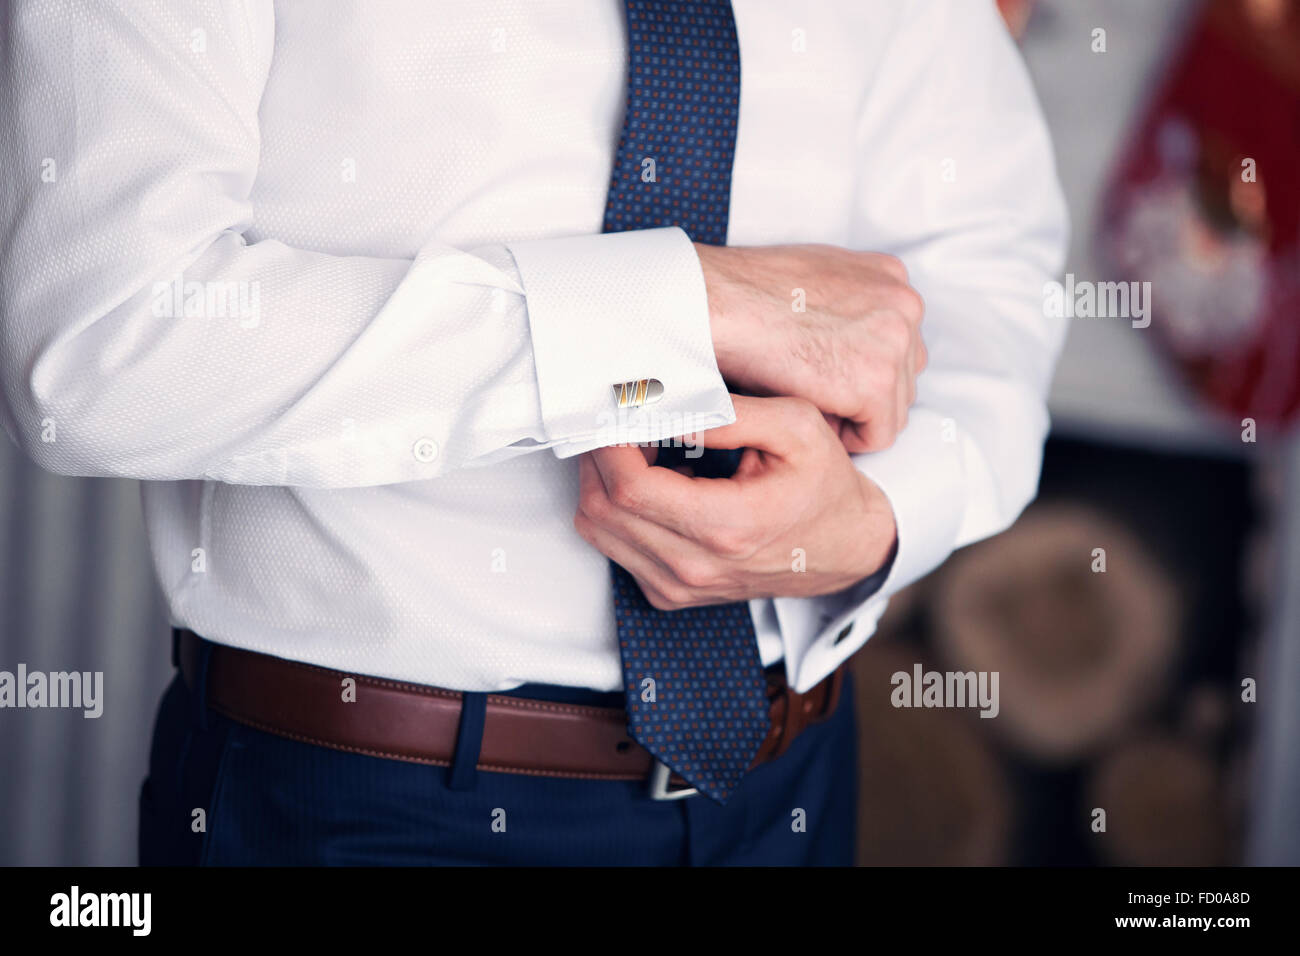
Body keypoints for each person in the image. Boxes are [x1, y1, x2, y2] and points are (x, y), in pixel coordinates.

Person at [0, 0, 1068, 865]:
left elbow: (984, 276)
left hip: (792, 782)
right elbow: (102, 341)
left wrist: (882, 512)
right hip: (369, 811)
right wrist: (670, 313)